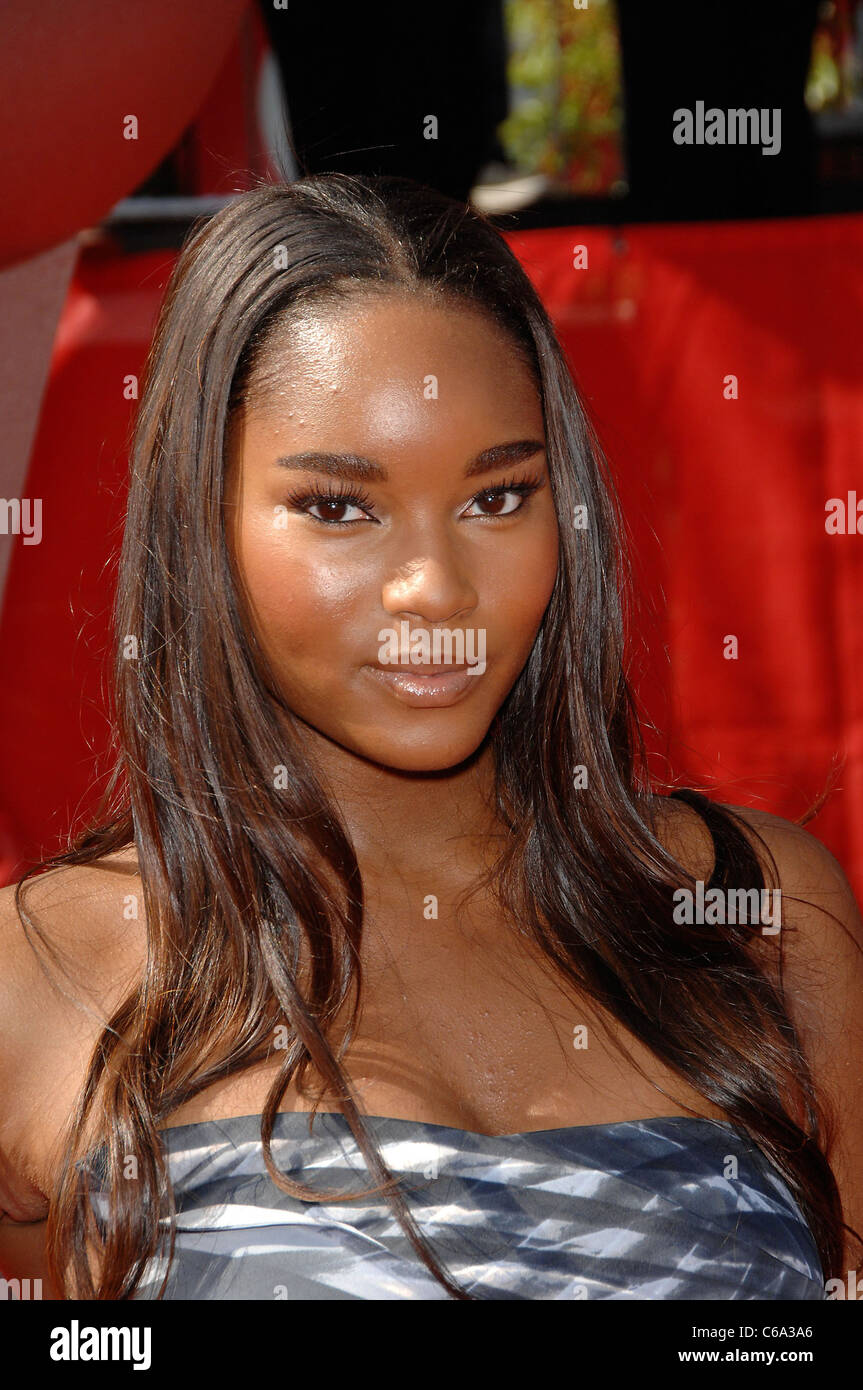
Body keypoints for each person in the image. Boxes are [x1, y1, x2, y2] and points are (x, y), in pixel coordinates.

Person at [0, 173, 861, 1301]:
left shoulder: (759, 917)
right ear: (201, 522)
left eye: (495, 498)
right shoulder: (38, 979)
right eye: (339, 508)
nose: (433, 587)